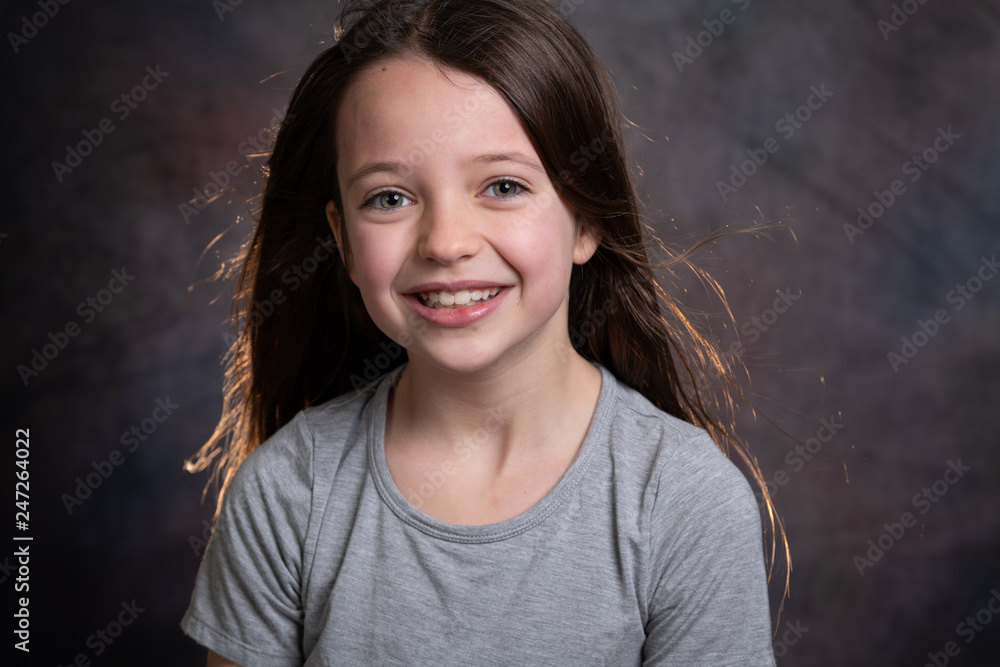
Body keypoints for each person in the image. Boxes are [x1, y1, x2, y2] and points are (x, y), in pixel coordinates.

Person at [181, 0, 786, 664]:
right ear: (344, 242)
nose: (445, 241)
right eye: (389, 197)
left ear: (586, 220)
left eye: (501, 185)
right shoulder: (286, 496)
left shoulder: (685, 502)